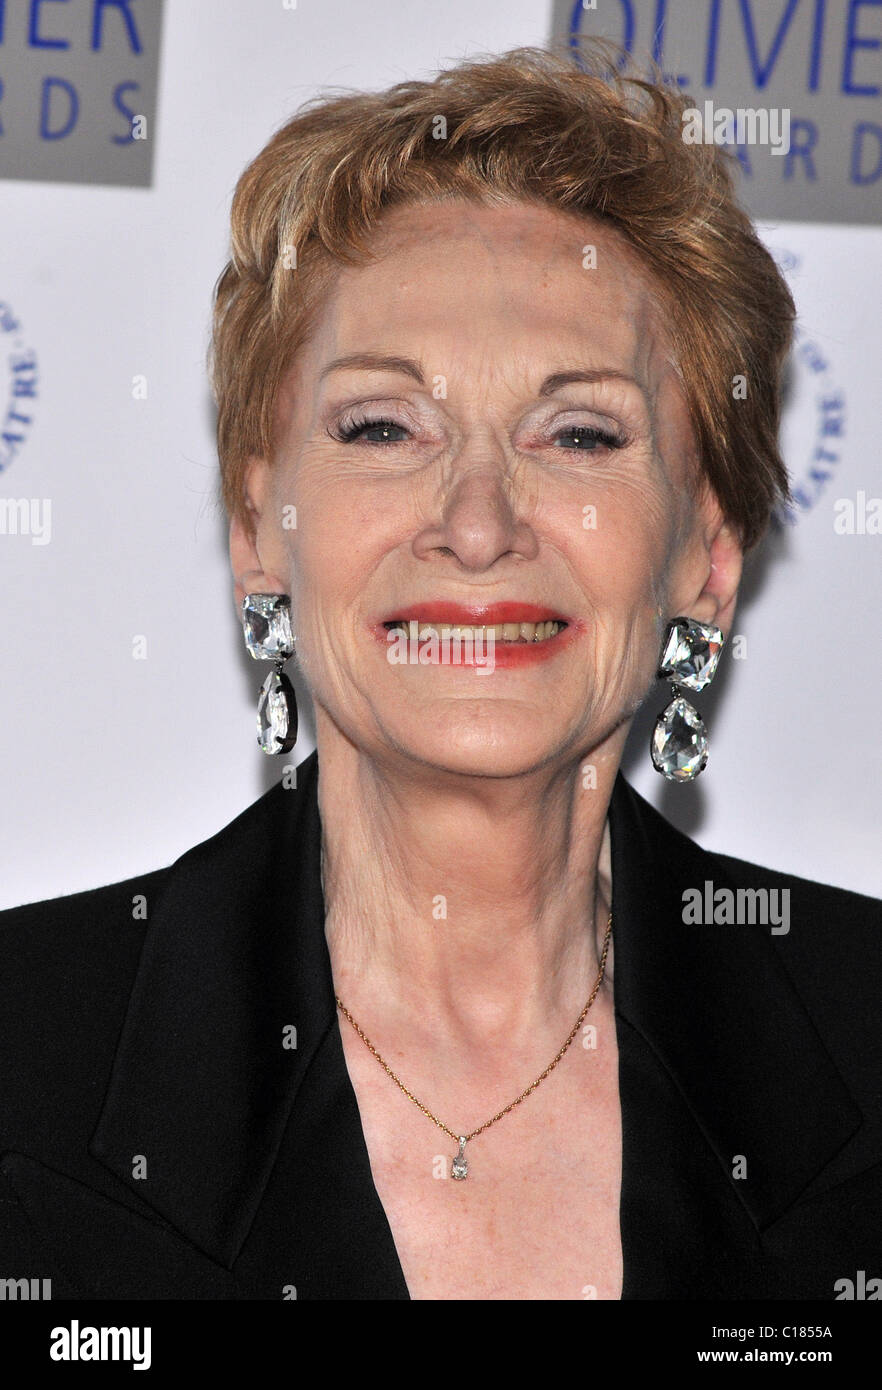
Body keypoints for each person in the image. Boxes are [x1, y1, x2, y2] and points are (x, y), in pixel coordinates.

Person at [2, 42, 881, 1302]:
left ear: (709, 553)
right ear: (258, 531)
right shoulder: (26, 1050)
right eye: (383, 427)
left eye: (579, 432)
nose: (476, 524)